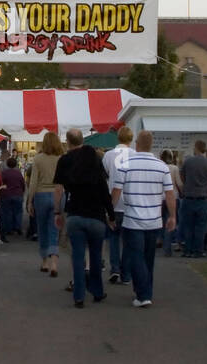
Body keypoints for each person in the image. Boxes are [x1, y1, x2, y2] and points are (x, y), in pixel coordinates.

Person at [112, 131, 175, 308]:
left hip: (132, 219)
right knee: (149, 258)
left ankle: (143, 294)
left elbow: (116, 192)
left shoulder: (125, 165)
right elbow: (170, 194)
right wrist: (173, 216)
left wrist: (110, 213)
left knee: (135, 256)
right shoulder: (162, 166)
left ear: (137, 144)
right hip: (154, 219)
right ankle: (146, 291)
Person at [53, 129, 110, 308]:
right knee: (95, 256)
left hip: (75, 214)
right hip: (96, 216)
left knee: (77, 256)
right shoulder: (96, 163)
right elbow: (105, 192)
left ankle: (78, 295)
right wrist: (112, 215)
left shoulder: (65, 162)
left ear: (68, 142)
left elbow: (59, 189)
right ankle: (97, 290)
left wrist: (57, 212)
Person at [25, 130, 64, 275]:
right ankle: (54, 262)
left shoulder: (38, 159)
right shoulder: (62, 158)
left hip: (41, 195)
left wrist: (30, 201)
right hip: (58, 194)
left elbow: (33, 181)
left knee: (42, 229)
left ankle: (45, 262)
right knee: (55, 229)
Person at [102, 127, 134, 285]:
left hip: (113, 201)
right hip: (130, 203)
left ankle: (114, 268)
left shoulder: (108, 155)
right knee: (128, 241)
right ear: (131, 138)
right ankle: (126, 273)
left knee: (113, 238)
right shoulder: (135, 155)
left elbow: (105, 175)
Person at [178, 140, 207, 258]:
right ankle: (198, 250)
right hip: (204, 198)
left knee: (188, 226)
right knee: (201, 226)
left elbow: (182, 177)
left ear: (196, 148)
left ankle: (187, 250)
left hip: (189, 197)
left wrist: (187, 185)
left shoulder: (187, 162)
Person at [160, 149, 183, 256]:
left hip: (160, 198)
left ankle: (161, 242)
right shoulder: (174, 168)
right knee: (171, 222)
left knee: (162, 222)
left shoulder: (159, 167)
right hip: (173, 197)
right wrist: (182, 192)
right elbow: (179, 183)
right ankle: (167, 249)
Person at [0, 156, 25, 239]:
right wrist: (22, 191)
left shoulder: (4, 173)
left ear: (7, 164)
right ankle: (17, 227)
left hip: (6, 194)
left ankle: (8, 229)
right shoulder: (18, 173)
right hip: (17, 194)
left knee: (7, 212)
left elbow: (1, 183)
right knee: (18, 212)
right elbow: (22, 183)